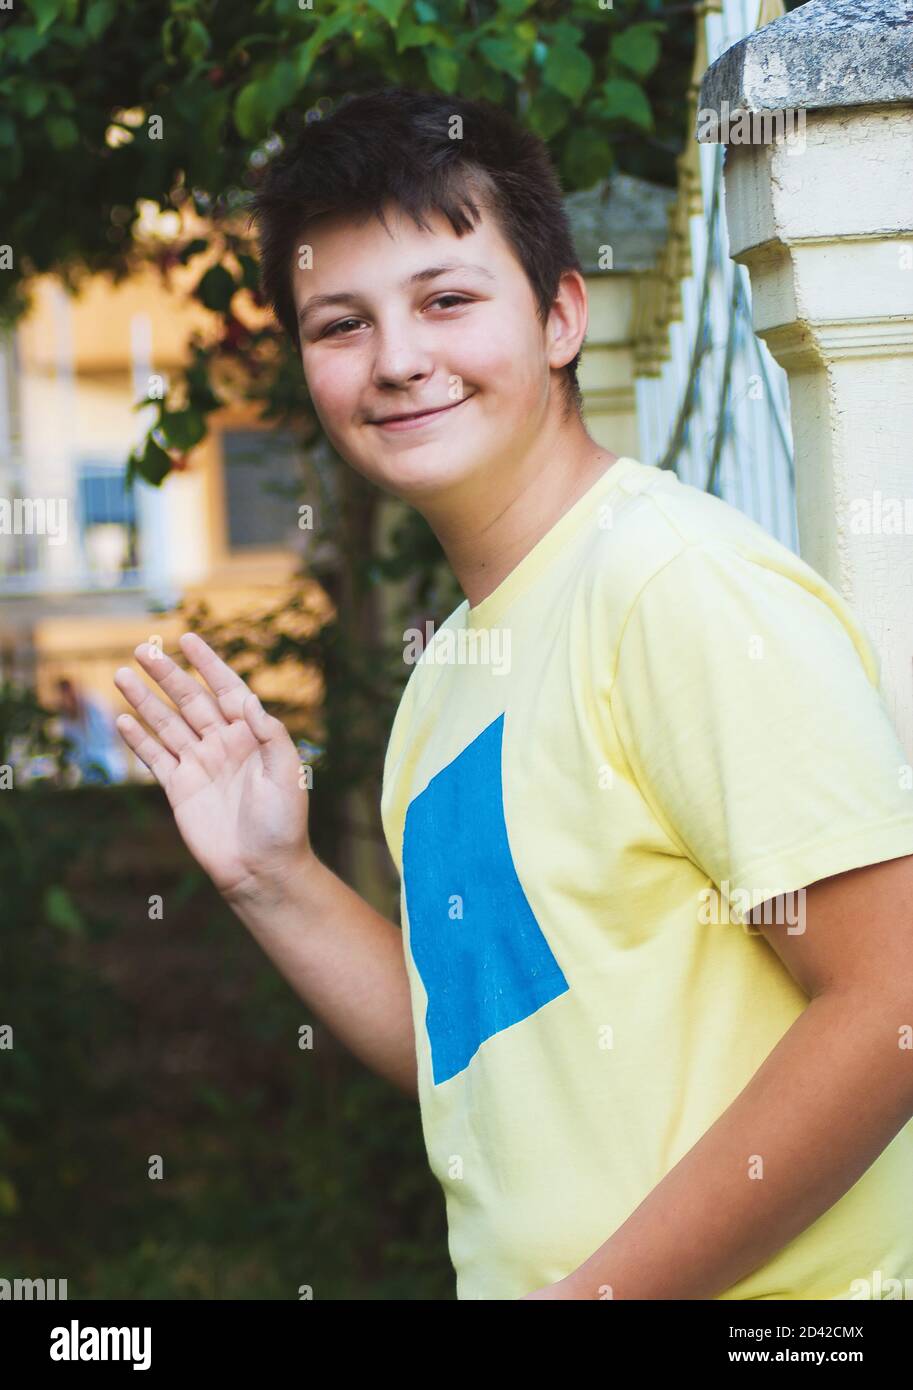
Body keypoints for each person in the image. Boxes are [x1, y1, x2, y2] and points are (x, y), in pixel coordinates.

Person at [113, 86, 913, 1301]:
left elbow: (892, 1001)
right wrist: (270, 875)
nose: (398, 359)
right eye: (341, 324)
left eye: (446, 299)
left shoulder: (667, 585)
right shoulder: (450, 682)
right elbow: (477, 1054)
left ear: (558, 316)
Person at [56, 676, 126, 784]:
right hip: (85, 768)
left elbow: (110, 732)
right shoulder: (64, 716)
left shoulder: (95, 705)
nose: (65, 700)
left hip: (108, 760)